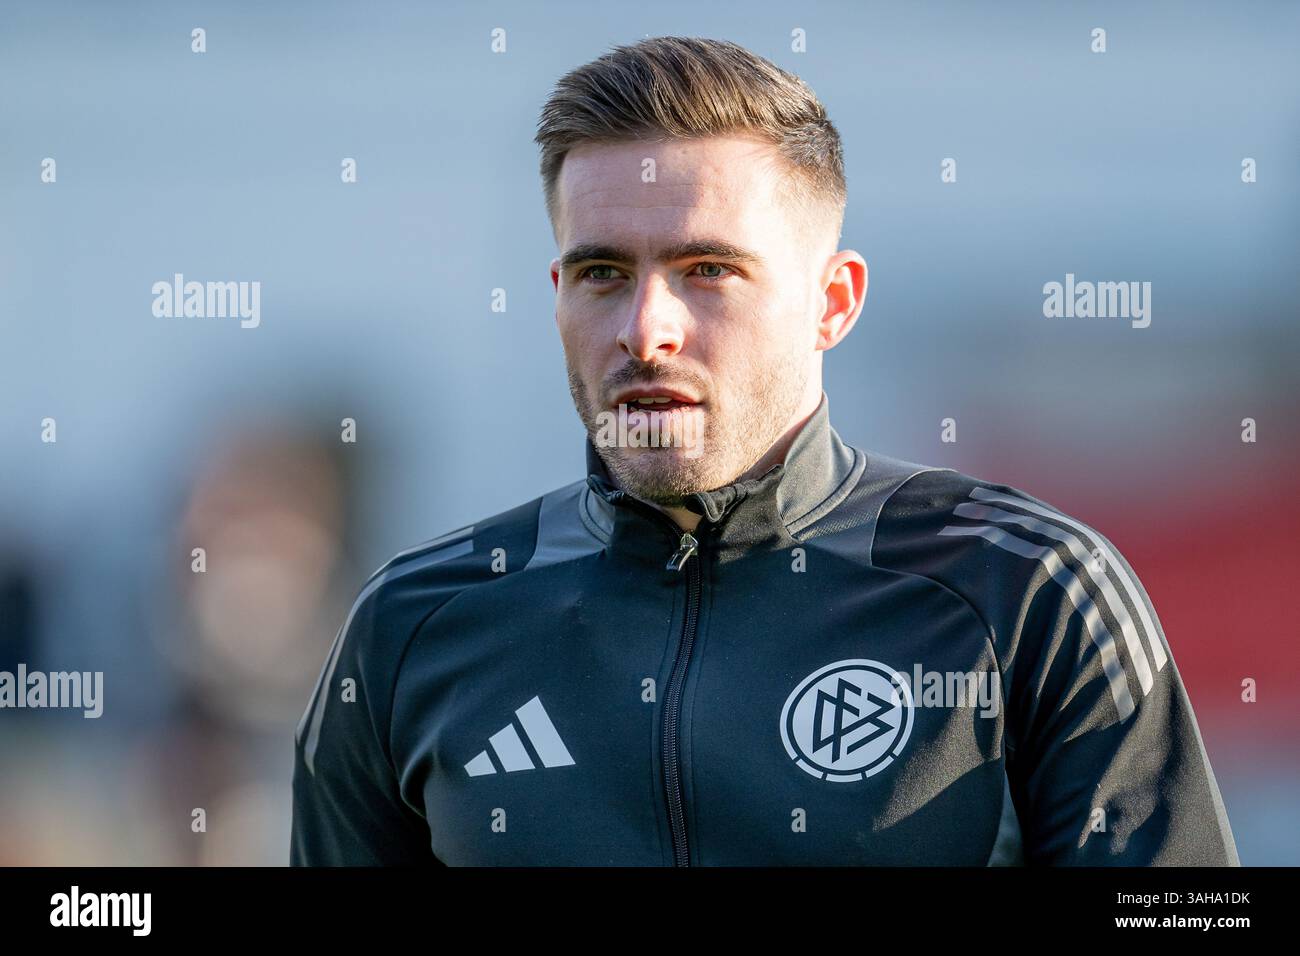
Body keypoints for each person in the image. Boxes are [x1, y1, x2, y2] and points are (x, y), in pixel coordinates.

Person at [290, 36, 1238, 866]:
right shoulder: (411, 628)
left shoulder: (1027, 589)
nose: (646, 328)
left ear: (833, 302)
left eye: (709, 270)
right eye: (602, 273)